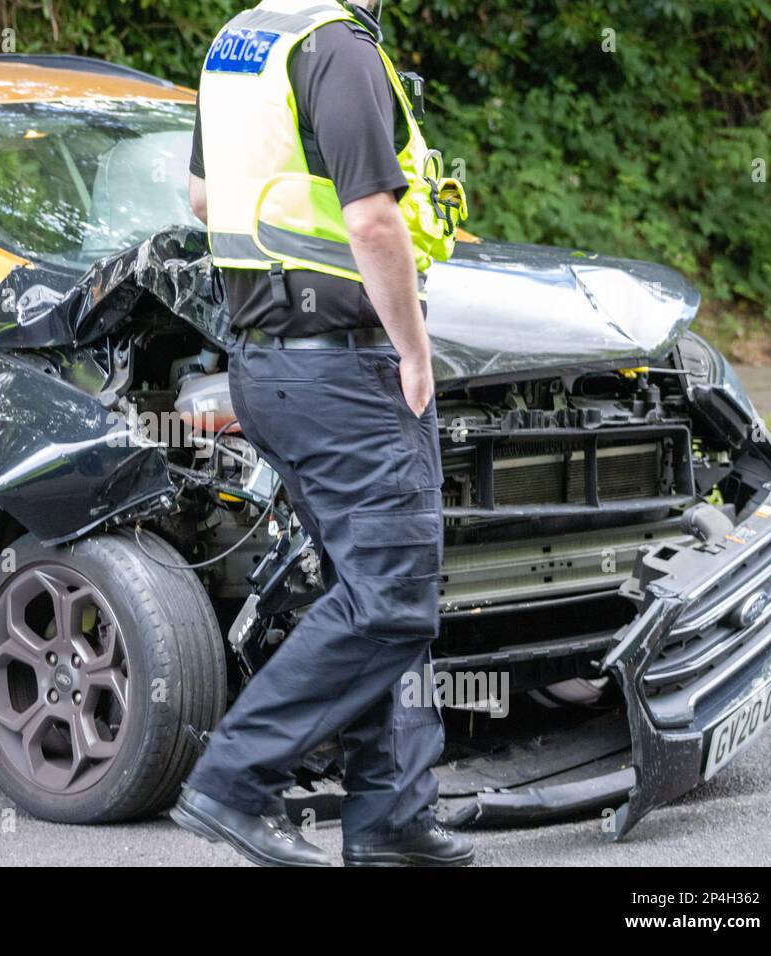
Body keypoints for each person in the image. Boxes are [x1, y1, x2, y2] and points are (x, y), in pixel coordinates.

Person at [170, 0, 474, 867]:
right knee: (392, 598)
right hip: (347, 369)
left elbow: (201, 195)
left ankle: (390, 819)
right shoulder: (338, 48)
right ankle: (232, 779)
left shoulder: (240, 43)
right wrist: (415, 352)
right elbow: (374, 220)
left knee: (377, 592)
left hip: (272, 365)